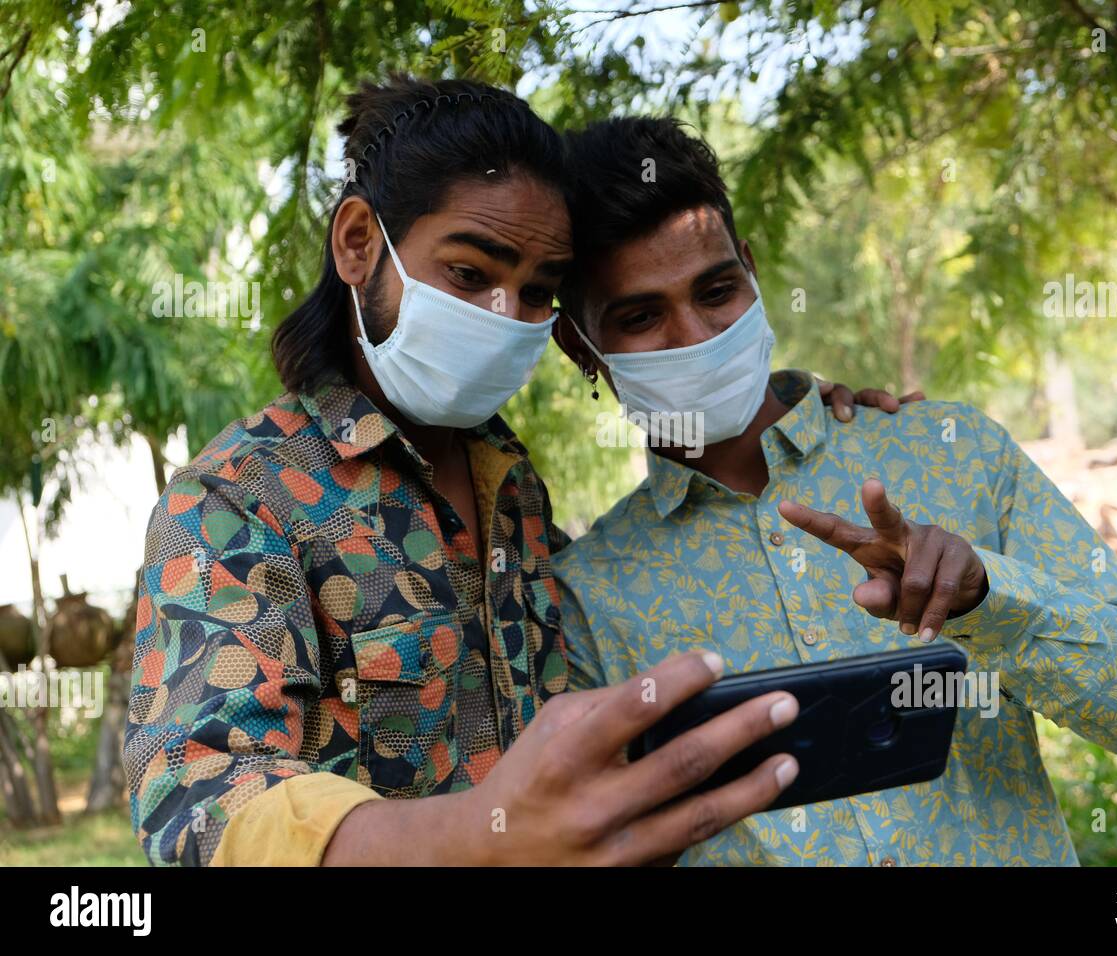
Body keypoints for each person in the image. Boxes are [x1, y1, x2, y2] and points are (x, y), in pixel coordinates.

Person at [123, 75, 909, 866]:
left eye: (537, 292)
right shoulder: (238, 498)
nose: (505, 316)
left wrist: (799, 409)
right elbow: (197, 803)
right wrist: (480, 837)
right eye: (470, 274)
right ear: (360, 242)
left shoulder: (514, 489)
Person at [551, 116, 1117, 866]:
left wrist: (989, 601)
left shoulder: (950, 453)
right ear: (579, 345)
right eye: (641, 317)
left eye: (716, 290)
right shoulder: (588, 594)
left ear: (751, 267)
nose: (696, 335)